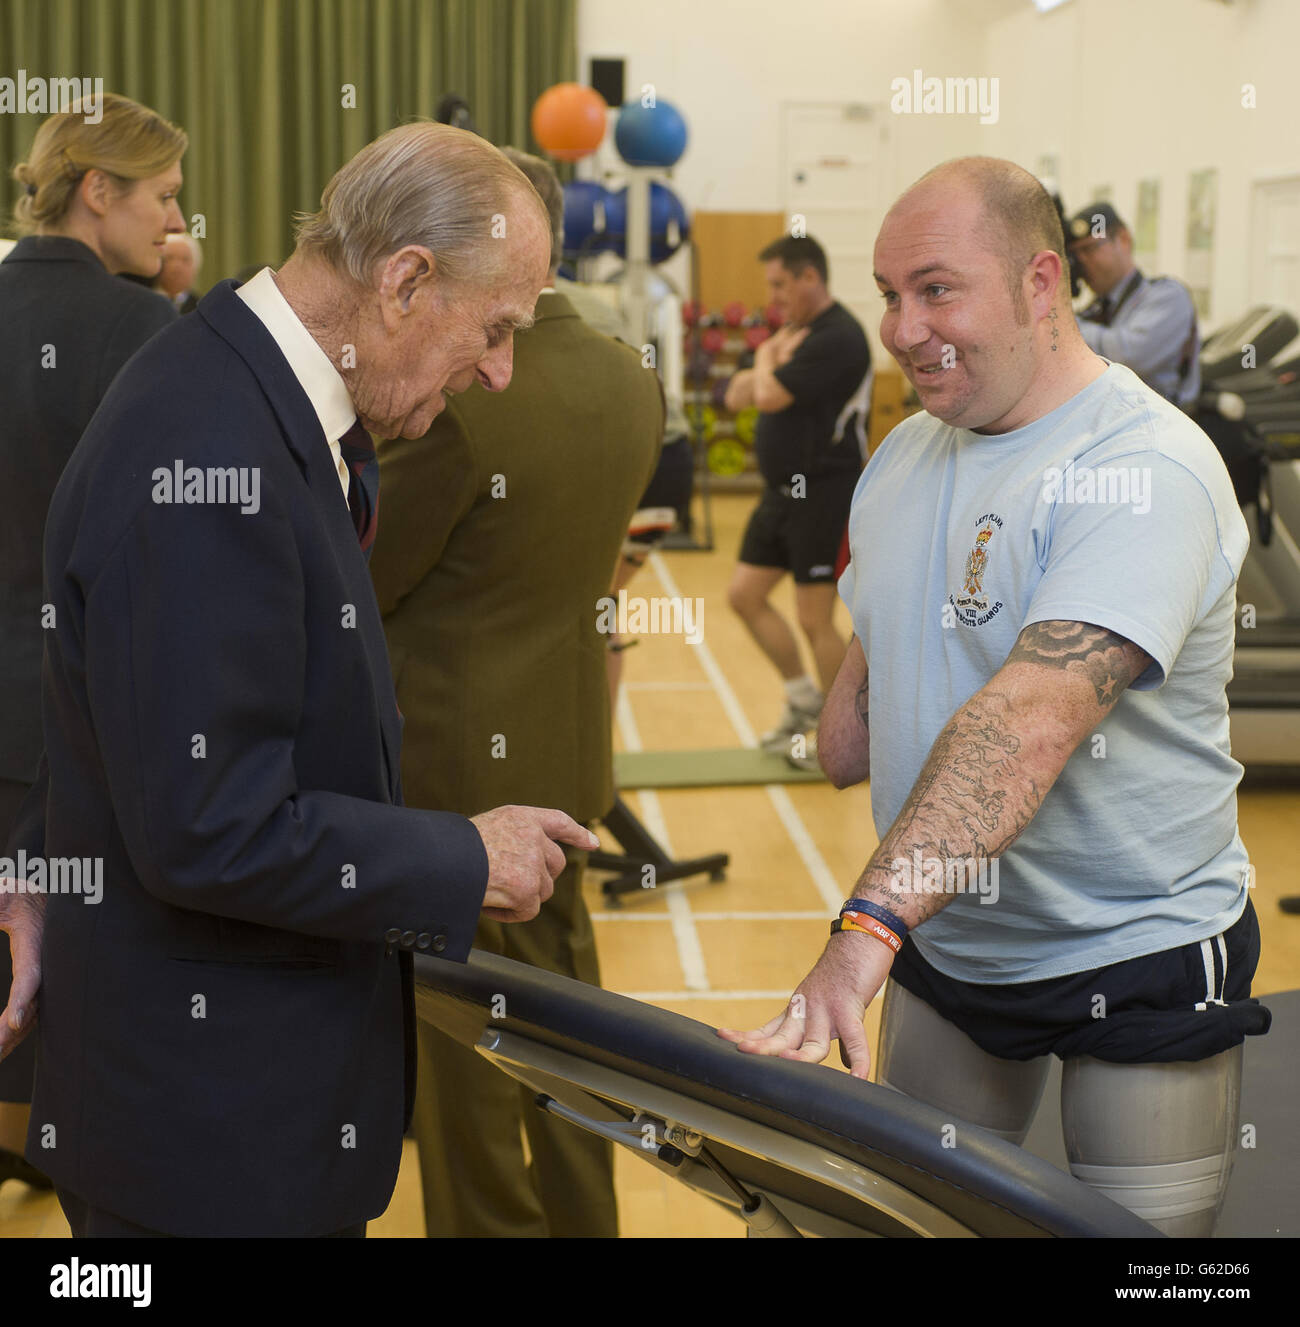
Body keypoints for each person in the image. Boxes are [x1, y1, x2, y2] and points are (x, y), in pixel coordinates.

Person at [5, 121, 597, 1237]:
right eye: (497, 326)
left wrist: (36, 859)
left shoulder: (237, 391)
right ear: (406, 281)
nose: (500, 370)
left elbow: (105, 707)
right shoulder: (215, 452)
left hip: (216, 1115)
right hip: (206, 1147)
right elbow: (208, 824)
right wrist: (463, 853)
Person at [720, 156, 1270, 1238]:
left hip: (1135, 942)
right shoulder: (901, 458)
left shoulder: (1142, 468)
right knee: (892, 1222)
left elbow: (1023, 725)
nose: (900, 326)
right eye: (886, 293)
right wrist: (837, 730)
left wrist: (864, 925)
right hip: (959, 941)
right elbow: (870, 672)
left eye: (936, 288)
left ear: (1038, 283)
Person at [369, 147, 663, 1238]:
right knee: (569, 1031)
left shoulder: (465, 403)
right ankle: (586, 1221)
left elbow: (367, 581)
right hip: (568, 742)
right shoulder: (630, 372)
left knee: (468, 1054)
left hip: (458, 759)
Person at [0, 92, 185, 1196]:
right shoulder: (137, 329)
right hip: (69, 707)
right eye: (160, 195)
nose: (174, 218)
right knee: (69, 990)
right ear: (97, 190)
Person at [724, 235, 871, 753]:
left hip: (824, 494)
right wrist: (766, 366)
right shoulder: (794, 332)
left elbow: (764, 392)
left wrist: (765, 356)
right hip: (779, 494)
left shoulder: (838, 337)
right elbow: (734, 393)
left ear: (811, 276)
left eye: (780, 284)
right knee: (744, 596)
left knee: (814, 618)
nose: (774, 296)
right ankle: (802, 698)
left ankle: (842, 738)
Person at [1066, 201, 1201, 409]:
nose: (1082, 262)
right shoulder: (1095, 310)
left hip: (1165, 430)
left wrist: (1062, 323)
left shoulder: (1167, 296)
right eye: (1076, 254)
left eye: (1090, 249)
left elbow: (1127, 357)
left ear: (1123, 239)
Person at [153, 230, 202, 312]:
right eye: (170, 258)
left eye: (185, 260)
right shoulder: (141, 302)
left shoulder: (203, 308)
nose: (177, 267)